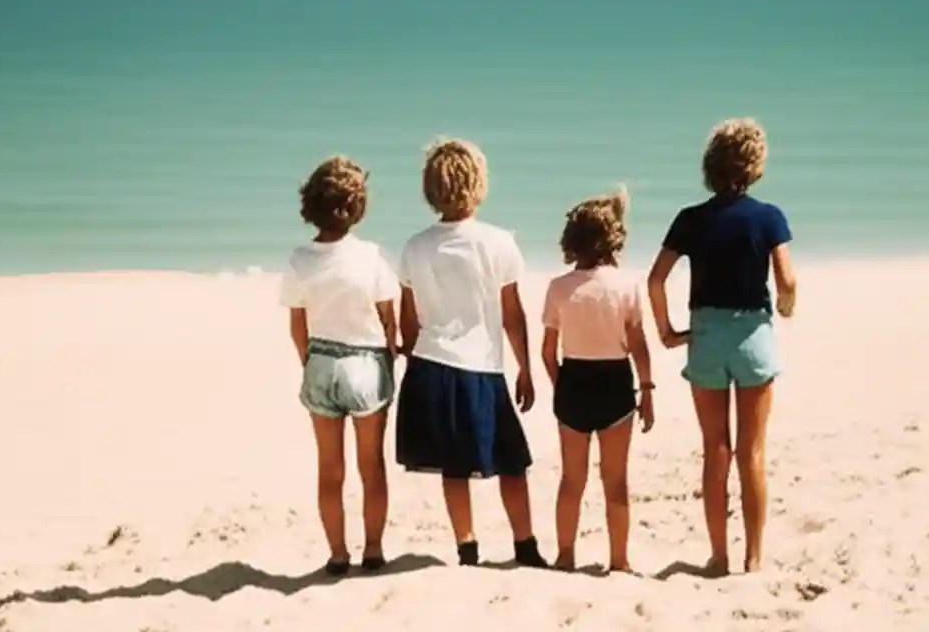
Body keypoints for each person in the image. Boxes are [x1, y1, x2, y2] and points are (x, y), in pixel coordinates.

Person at [647, 118, 797, 576]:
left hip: (706, 336)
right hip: (752, 335)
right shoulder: (769, 217)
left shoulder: (691, 219)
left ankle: (718, 556)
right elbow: (787, 279)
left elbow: (656, 279)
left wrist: (668, 332)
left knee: (715, 450)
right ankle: (753, 559)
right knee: (752, 452)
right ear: (753, 167)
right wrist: (787, 307)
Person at [395, 137, 549, 568]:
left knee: (454, 466)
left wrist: (409, 355)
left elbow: (410, 320)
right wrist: (525, 368)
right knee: (513, 462)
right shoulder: (498, 242)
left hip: (430, 364)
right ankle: (526, 545)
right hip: (480, 366)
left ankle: (467, 548)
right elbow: (512, 315)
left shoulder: (415, 245)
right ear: (479, 183)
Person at [280, 156, 398, 576]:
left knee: (329, 469)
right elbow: (388, 315)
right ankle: (373, 549)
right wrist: (391, 354)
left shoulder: (300, 259)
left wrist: (308, 362)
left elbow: (298, 322)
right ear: (356, 208)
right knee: (372, 466)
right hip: (365, 359)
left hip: (321, 361)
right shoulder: (370, 256)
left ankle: (336, 554)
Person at [541, 189, 654, 574]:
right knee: (615, 480)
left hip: (574, 378)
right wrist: (648, 389)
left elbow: (547, 351)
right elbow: (638, 344)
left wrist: (562, 386)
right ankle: (619, 561)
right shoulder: (627, 285)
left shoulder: (559, 287)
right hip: (615, 382)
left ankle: (565, 555)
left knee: (572, 479)